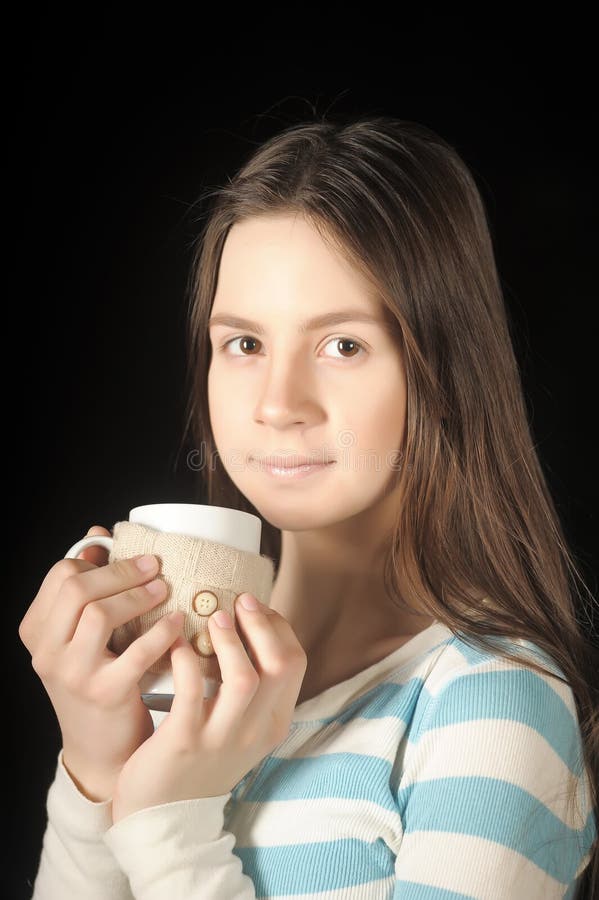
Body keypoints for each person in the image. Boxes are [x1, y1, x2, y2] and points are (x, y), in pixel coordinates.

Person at [19, 113, 597, 899]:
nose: (277, 405)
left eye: (342, 345)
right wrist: (94, 766)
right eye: (244, 345)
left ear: (442, 373)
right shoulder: (176, 683)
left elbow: (169, 841)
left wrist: (168, 822)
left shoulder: (490, 703)